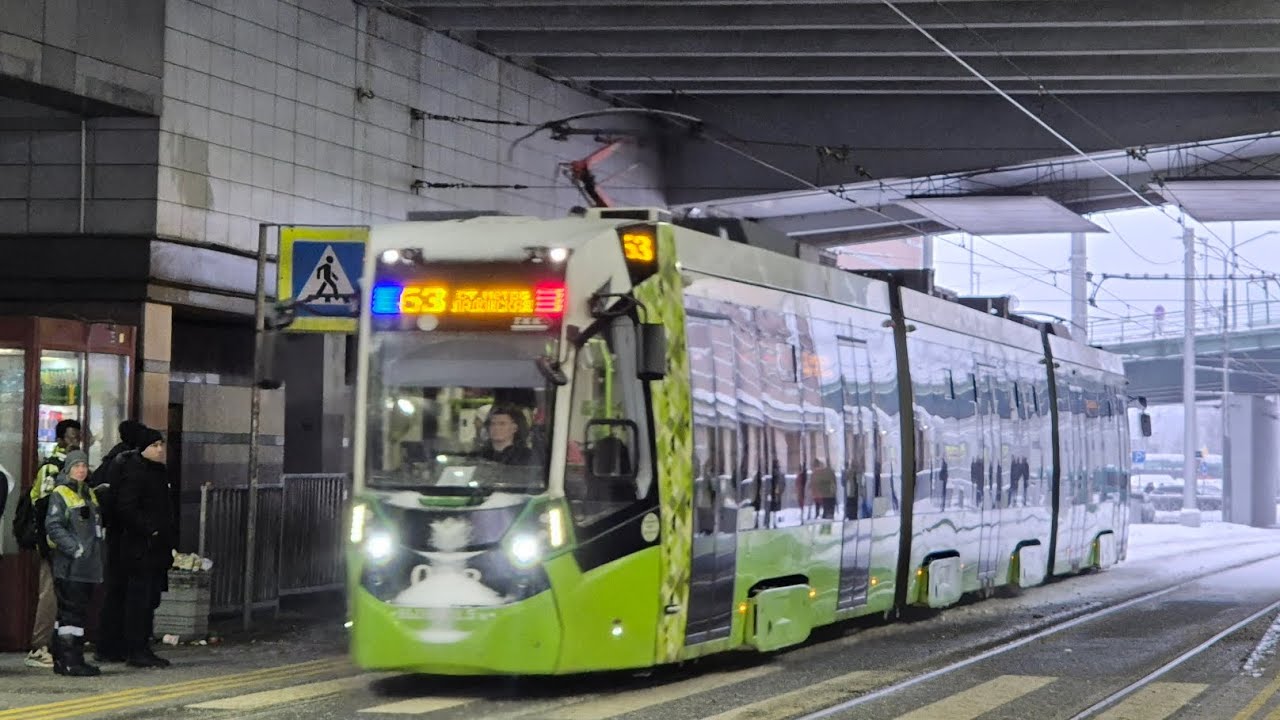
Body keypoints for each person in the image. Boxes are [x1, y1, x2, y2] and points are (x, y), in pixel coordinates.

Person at [113, 428, 174, 668]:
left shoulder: (159, 472)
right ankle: (136, 648)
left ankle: (142, 646)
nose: (160, 449)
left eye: (161, 444)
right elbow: (126, 508)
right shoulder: (136, 472)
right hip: (141, 548)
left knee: (151, 598)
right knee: (140, 599)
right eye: (154, 445)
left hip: (156, 548)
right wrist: (150, 529)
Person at [89, 419, 147, 663]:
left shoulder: (112, 459)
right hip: (123, 536)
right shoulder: (126, 461)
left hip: (113, 534)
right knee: (122, 592)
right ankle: (114, 645)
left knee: (115, 591)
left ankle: (108, 645)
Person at [26, 418, 81, 670]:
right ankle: (39, 646)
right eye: (71, 437)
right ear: (60, 440)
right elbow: (43, 505)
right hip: (52, 541)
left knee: (67, 595)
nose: (75, 441)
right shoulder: (51, 468)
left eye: (78, 437)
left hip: (73, 542)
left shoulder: (76, 467)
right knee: (49, 594)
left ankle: (61, 644)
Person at [43, 450, 103, 676]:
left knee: (69, 615)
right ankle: (72, 661)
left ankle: (62, 659)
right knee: (72, 616)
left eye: (84, 466)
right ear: (68, 469)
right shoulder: (61, 493)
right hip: (71, 567)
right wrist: (75, 549)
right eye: (76, 466)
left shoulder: (88, 492)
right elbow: (54, 526)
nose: (81, 470)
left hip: (86, 566)